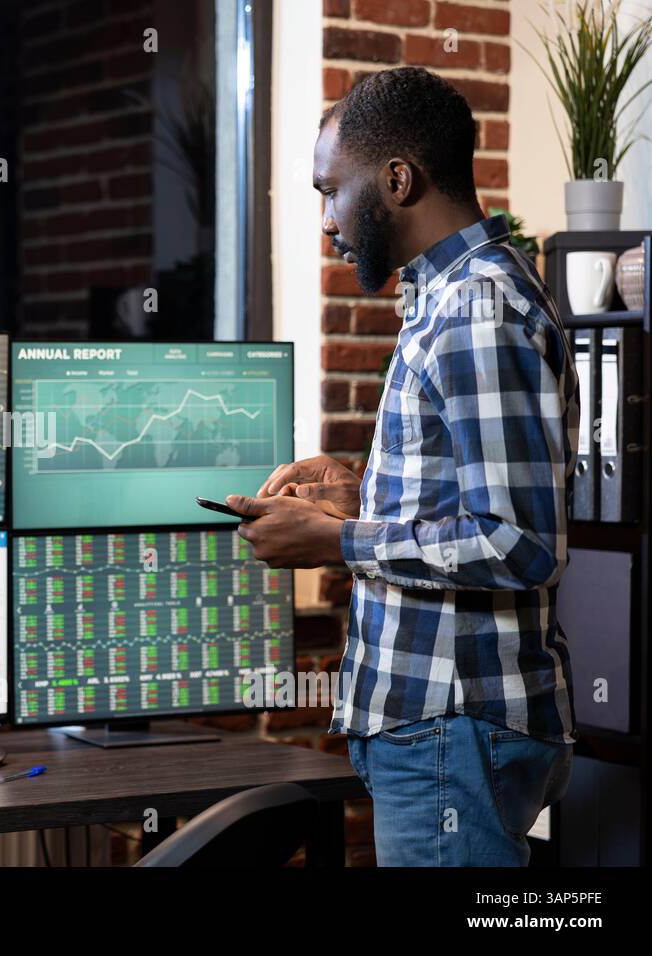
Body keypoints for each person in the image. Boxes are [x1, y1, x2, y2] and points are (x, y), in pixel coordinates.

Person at [224, 67, 579, 866]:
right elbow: (471, 495)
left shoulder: (475, 310)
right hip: (443, 728)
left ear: (397, 178)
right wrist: (357, 498)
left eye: (330, 191)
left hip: (451, 728)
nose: (325, 221)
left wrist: (340, 543)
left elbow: (522, 542)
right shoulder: (452, 296)